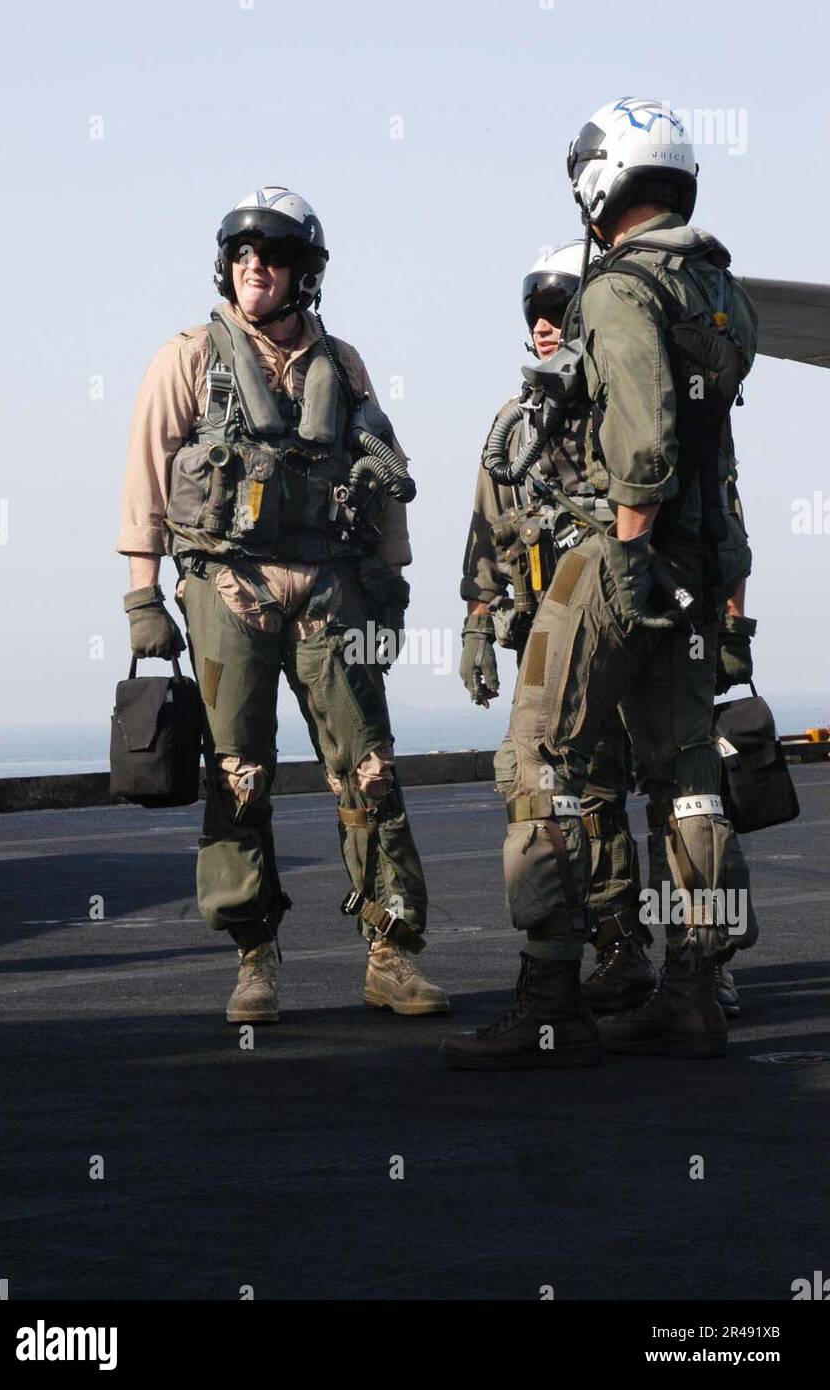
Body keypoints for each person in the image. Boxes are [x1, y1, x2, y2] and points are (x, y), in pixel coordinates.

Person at [444, 99, 758, 1069]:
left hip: (613, 555)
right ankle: (692, 993)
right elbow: (715, 455)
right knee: (686, 774)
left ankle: (551, 1001)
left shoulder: (619, 290)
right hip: (696, 566)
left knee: (544, 762)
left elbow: (646, 433)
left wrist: (622, 547)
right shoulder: (716, 289)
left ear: (602, 179)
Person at [118, 186, 447, 1024]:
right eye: (242, 255)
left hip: (334, 588)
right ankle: (254, 959)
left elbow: (386, 471)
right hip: (229, 586)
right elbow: (147, 477)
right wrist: (141, 598)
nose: (254, 267)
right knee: (238, 773)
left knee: (368, 766)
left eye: (273, 256)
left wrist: (393, 574)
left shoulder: (345, 364)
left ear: (304, 272)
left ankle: (391, 952)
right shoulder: (189, 357)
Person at [459, 243, 655, 1018]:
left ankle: (699, 968)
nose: (544, 327)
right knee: (573, 790)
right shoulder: (515, 430)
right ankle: (613, 945)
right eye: (534, 313)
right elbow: (487, 530)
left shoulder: (627, 404)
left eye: (559, 310)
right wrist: (478, 622)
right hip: (550, 632)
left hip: (634, 623)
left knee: (676, 786)